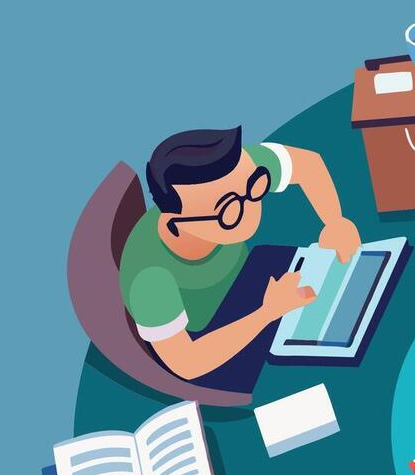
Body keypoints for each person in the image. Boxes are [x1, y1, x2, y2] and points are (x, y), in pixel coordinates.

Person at [119, 126, 362, 392]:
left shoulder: (233, 172)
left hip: (252, 276)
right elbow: (187, 362)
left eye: (254, 187)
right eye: (229, 210)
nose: (251, 212)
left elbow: (307, 163)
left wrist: (335, 222)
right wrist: (267, 313)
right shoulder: (150, 277)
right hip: (211, 338)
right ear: (176, 222)